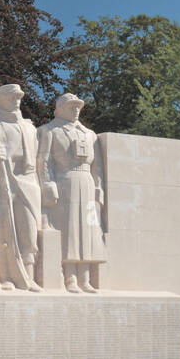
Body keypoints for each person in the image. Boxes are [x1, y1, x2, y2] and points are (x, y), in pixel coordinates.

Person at [37, 92, 106, 292]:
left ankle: (85, 278)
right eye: (71, 106)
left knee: (89, 231)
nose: (76, 110)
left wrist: (99, 188)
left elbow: (97, 167)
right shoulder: (49, 131)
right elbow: (44, 161)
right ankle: (70, 278)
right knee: (70, 231)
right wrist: (48, 184)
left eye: (78, 106)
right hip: (65, 183)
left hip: (87, 184)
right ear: (60, 109)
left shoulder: (90, 135)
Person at [0, 83, 42, 291]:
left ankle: (29, 276)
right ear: (0, 99)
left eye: (19, 97)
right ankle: (4, 275)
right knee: (3, 231)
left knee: (29, 231)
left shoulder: (30, 127)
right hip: (1, 180)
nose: (16, 101)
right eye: (12, 97)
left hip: (29, 181)